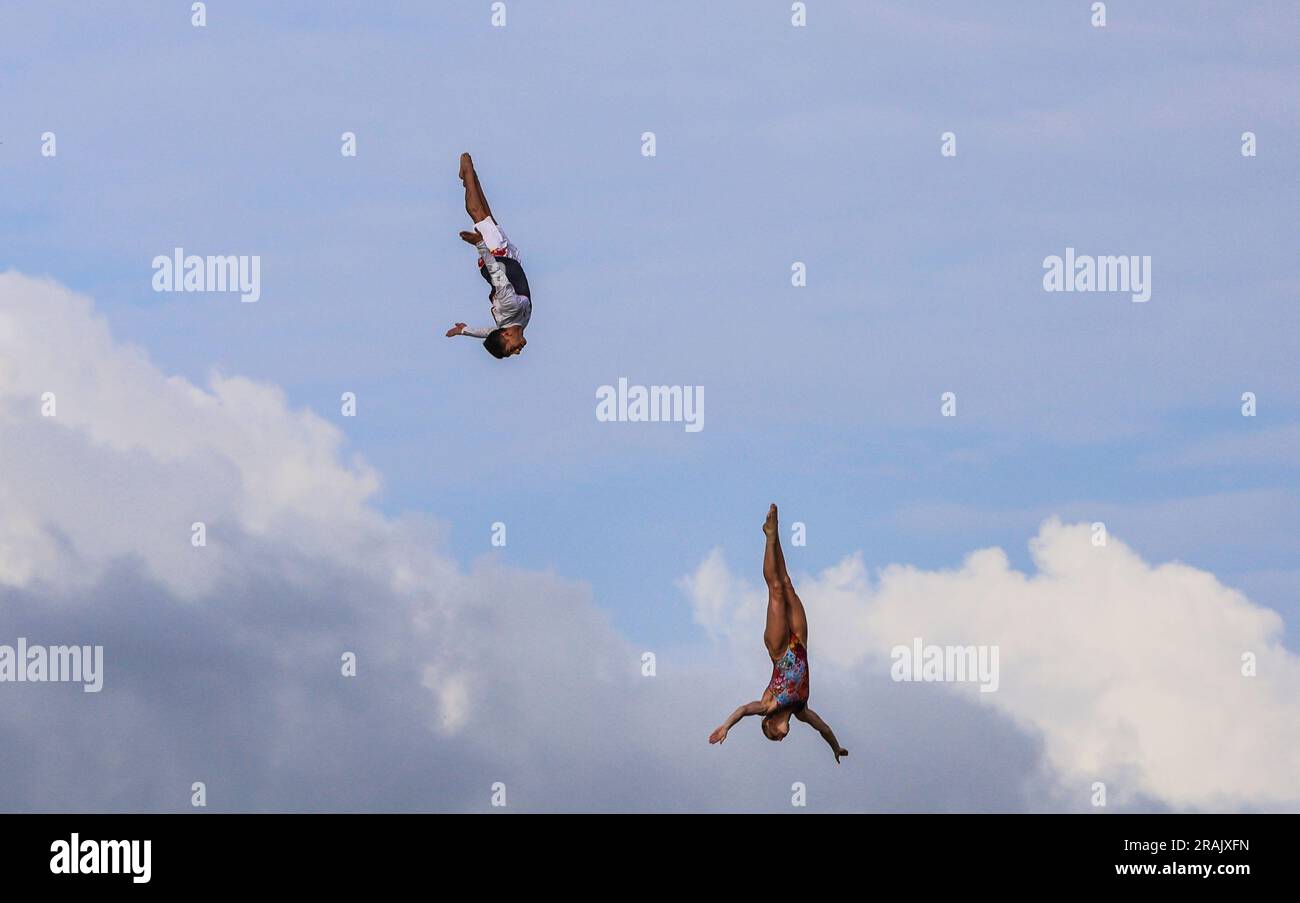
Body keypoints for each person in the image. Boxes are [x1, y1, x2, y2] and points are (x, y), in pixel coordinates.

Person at [708, 504, 849, 762]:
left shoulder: (768, 706)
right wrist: (835, 748)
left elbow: (742, 710)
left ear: (769, 725)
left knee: (775, 590)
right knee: (787, 585)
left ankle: (771, 537)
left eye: (775, 737)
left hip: (780, 649)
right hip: (800, 643)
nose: (782, 737)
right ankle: (774, 532)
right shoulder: (801, 710)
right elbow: (824, 729)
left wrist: (726, 726)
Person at [444, 153, 531, 358]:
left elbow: (497, 275)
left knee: (475, 212)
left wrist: (480, 244)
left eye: (511, 349)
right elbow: (489, 332)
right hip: (509, 258)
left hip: (495, 257)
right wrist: (465, 330)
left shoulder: (508, 308)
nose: (518, 352)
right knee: (487, 216)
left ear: (508, 334)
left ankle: (466, 168)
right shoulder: (512, 324)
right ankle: (471, 175)